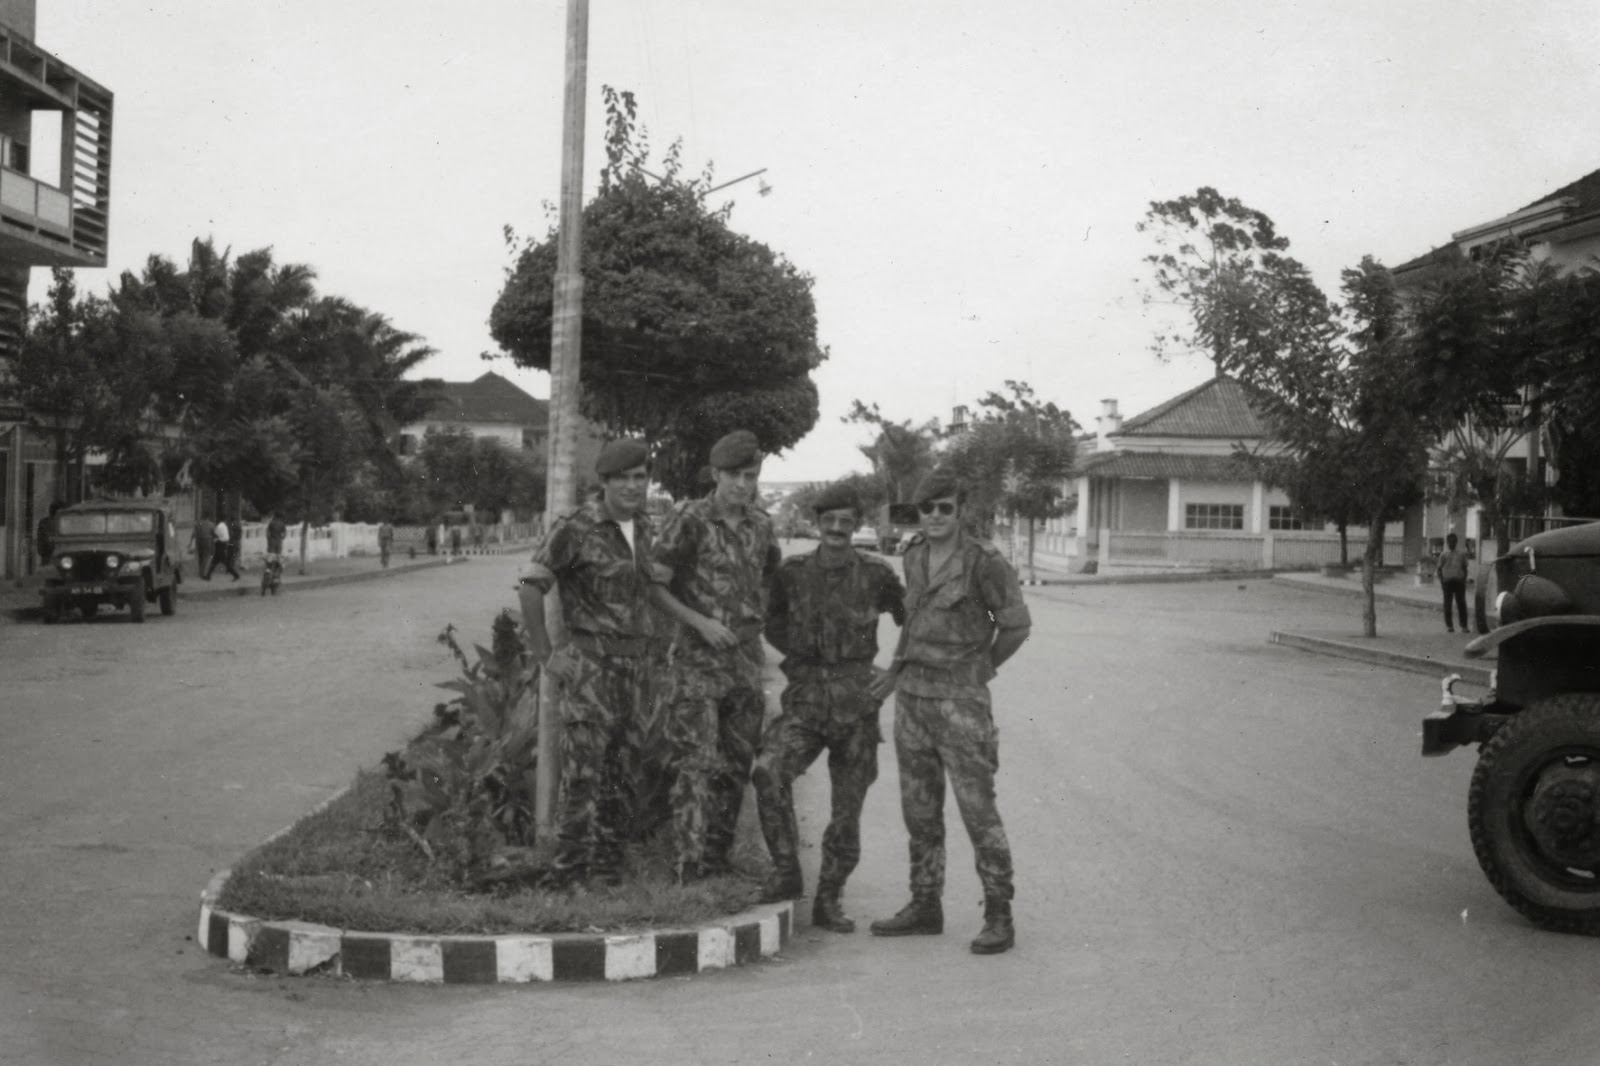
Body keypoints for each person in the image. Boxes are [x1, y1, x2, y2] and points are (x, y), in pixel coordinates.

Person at [868, 467, 1031, 956]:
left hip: (960, 705)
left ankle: (999, 913)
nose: (935, 517)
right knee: (919, 811)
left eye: (945, 508)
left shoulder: (985, 562)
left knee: (978, 812)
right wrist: (894, 672)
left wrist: (980, 672)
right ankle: (924, 903)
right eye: (927, 509)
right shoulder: (914, 554)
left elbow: (1016, 628)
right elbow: (913, 623)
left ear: (961, 512)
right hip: (914, 701)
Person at [752, 482, 905, 933]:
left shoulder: (877, 574)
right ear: (817, 524)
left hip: (857, 705)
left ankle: (830, 899)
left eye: (845, 521)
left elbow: (911, 617)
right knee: (767, 769)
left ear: (855, 524)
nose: (837, 529)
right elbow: (772, 621)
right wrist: (800, 656)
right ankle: (786, 873)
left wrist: (894, 672)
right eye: (829, 521)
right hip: (805, 702)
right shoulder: (793, 572)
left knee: (846, 810)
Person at [518, 439, 655, 888]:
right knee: (584, 777)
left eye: (641, 478)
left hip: (635, 671)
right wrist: (547, 656)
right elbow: (531, 587)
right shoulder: (576, 526)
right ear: (605, 482)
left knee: (625, 774)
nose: (634, 487)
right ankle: (567, 873)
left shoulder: (647, 529)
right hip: (591, 668)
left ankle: (607, 870)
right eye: (624, 479)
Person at [648, 429, 782, 882]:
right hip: (697, 663)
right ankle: (688, 865)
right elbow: (654, 584)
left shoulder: (761, 525)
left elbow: (768, 575)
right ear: (716, 475)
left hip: (744, 663)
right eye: (735, 476)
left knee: (736, 765)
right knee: (696, 764)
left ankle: (717, 859)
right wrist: (699, 621)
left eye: (751, 476)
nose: (744, 485)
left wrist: (756, 615)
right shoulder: (689, 518)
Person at [1436, 532, 1471, 633]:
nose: (1451, 543)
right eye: (1449, 542)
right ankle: (1449, 626)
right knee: (1447, 604)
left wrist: (1464, 579)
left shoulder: (1461, 554)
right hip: (1447, 582)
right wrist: (1442, 581)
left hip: (1459, 582)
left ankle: (1464, 626)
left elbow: (1465, 567)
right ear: (1447, 542)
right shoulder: (1443, 554)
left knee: (1461, 603)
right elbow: (1439, 569)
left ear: (1456, 542)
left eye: (1453, 541)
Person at [205, 516, 240, 581]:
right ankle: (208, 576)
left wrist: (211, 534)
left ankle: (236, 575)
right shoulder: (224, 526)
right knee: (215, 561)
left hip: (220, 544)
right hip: (223, 544)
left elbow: (215, 535)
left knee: (223, 562)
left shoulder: (219, 526)